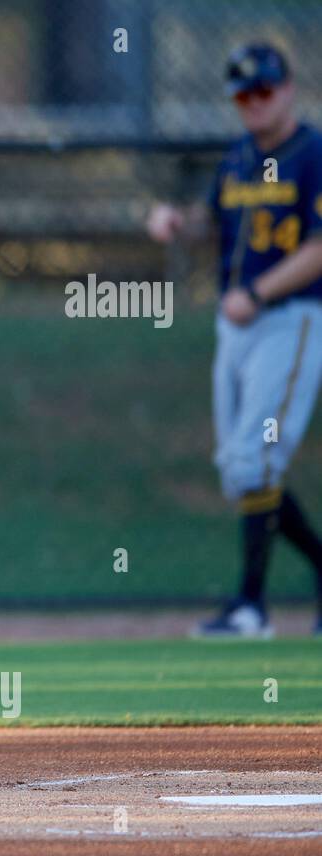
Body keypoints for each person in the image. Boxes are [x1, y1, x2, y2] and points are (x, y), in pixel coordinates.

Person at [148, 43, 322, 638]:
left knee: (255, 458)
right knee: (240, 469)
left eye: (263, 91)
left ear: (289, 87)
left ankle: (251, 608)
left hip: (291, 318)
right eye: (243, 94)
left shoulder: (312, 152)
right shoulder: (241, 157)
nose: (253, 102)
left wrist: (263, 293)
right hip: (240, 325)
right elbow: (213, 221)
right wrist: (178, 221)